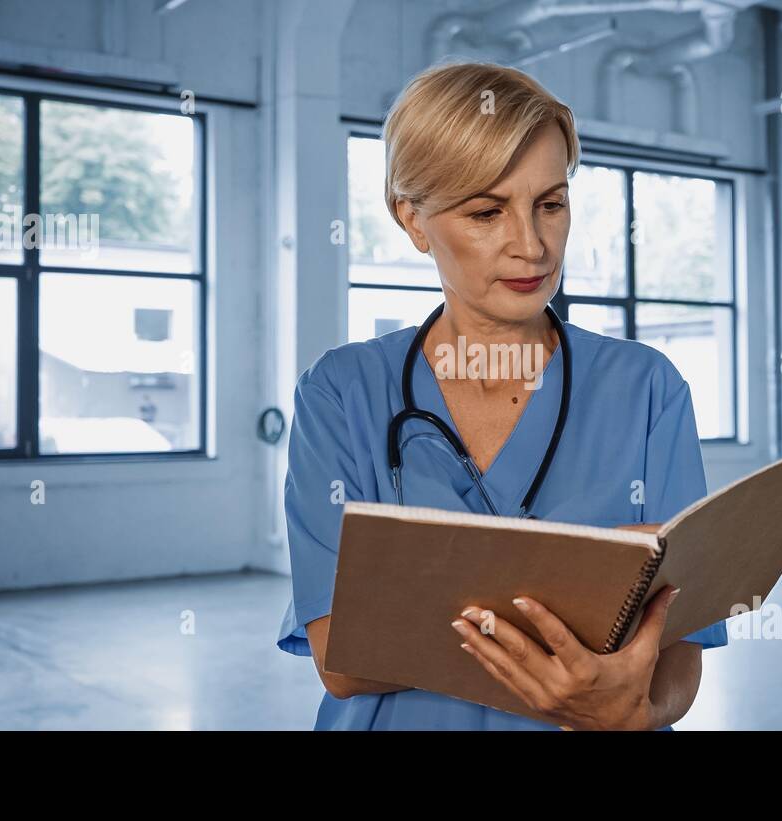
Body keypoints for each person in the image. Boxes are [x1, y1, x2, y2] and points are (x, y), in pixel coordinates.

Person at [276, 60, 727, 730]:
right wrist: (588, 591)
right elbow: (342, 656)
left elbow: (679, 649)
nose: (533, 244)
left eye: (551, 203)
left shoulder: (647, 388)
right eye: (487, 211)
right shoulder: (341, 392)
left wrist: (632, 708)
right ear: (413, 221)